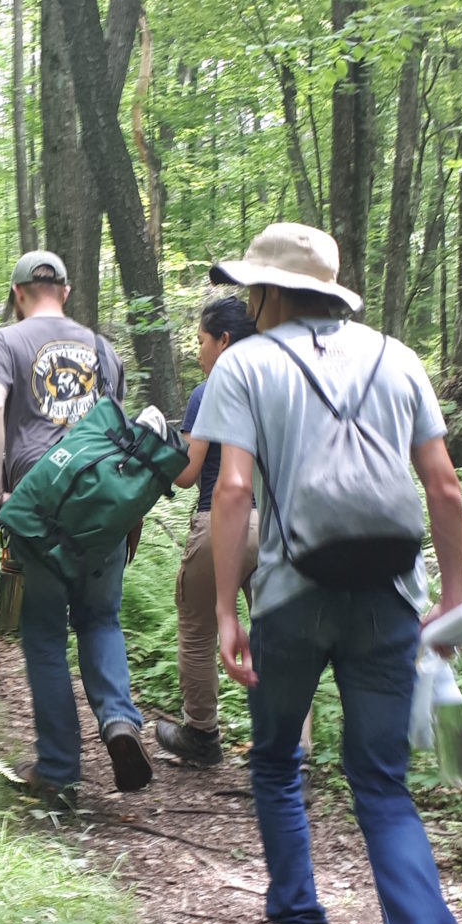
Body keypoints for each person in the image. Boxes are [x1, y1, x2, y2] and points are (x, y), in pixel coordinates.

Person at [197, 221, 462, 924]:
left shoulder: (246, 362)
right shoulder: (398, 358)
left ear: (267, 295)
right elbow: (443, 485)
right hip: (388, 601)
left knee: (279, 763)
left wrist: (223, 610)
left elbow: (234, 488)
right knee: (383, 788)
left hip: (290, 597)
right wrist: (455, 595)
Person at [0, 249, 151, 802]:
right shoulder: (101, 348)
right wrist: (131, 515)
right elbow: (118, 434)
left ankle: (58, 769)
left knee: (45, 636)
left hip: (40, 504)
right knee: (100, 618)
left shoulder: (5, 342)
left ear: (18, 293)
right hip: (99, 503)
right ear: (67, 292)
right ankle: (120, 720)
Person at [157, 292, 259, 766]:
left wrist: (159, 451)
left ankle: (202, 734)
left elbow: (187, 473)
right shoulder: (278, 385)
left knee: (197, 626)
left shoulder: (212, 389)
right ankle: (291, 749)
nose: (197, 352)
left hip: (220, 520)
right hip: (276, 528)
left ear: (223, 340)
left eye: (200, 341)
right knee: (276, 632)